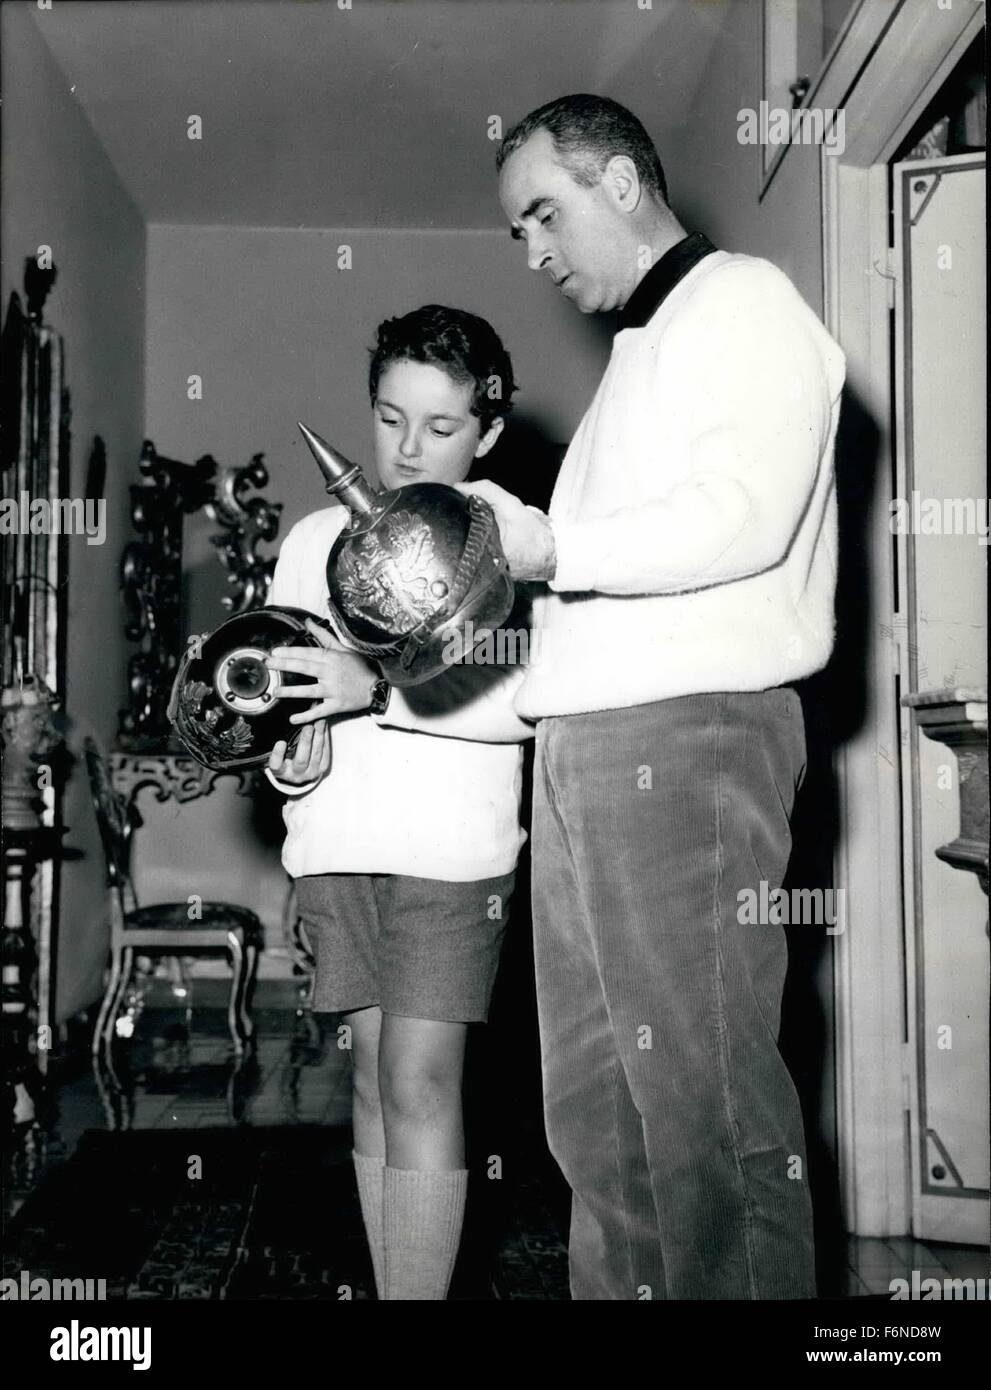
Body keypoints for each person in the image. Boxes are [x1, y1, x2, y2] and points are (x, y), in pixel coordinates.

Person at [451, 93, 847, 1299]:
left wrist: (547, 554)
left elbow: (740, 516)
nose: (533, 253)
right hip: (583, 749)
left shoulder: (744, 303)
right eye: (517, 230)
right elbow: (586, 611)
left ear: (620, 181)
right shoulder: (638, 354)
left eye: (542, 213)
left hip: (690, 741)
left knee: (706, 1106)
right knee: (594, 1114)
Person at [263, 304, 532, 1301]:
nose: (409, 448)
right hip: (339, 845)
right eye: (389, 417)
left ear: (488, 433)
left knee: (422, 1081)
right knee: (372, 1081)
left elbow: (521, 701)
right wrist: (290, 764)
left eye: (442, 426)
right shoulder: (311, 539)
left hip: (454, 856)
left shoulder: (507, 541)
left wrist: (372, 689)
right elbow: (295, 712)